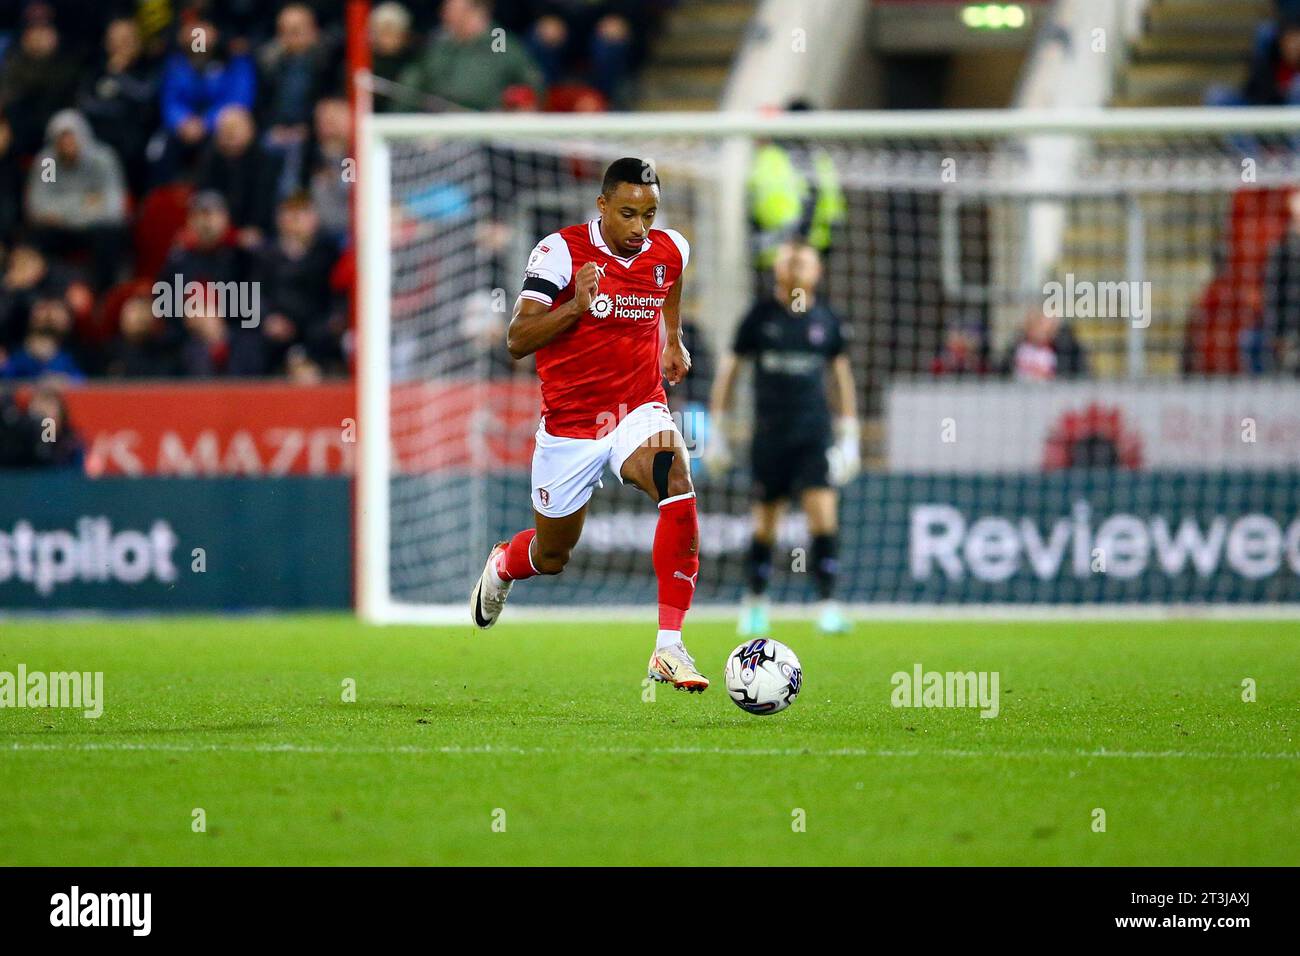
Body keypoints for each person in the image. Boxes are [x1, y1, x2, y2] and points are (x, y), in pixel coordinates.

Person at [469, 158, 708, 692]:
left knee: (677, 479)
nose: (639, 228)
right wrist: (577, 305)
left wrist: (673, 339)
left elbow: (671, 281)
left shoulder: (669, 248)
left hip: (637, 410)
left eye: (649, 215)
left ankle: (668, 647)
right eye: (627, 214)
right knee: (551, 556)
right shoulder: (559, 252)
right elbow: (516, 340)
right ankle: (506, 563)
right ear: (602, 207)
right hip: (570, 428)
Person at [707, 242, 859, 636]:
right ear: (777, 269)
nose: (796, 264)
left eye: (805, 260)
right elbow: (730, 371)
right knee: (765, 523)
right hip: (770, 436)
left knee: (823, 516)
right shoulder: (759, 317)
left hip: (814, 436)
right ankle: (755, 604)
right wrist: (717, 430)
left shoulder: (826, 320)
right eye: (789, 258)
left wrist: (849, 434)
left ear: (817, 272)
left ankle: (827, 605)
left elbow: (840, 377)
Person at [397, 0, 542, 112]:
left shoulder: (500, 42)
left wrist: (510, 110)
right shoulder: (439, 45)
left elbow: (532, 86)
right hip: (437, 127)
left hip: (487, 130)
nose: (444, 13)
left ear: (475, 11)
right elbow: (410, 87)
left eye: (452, 8)